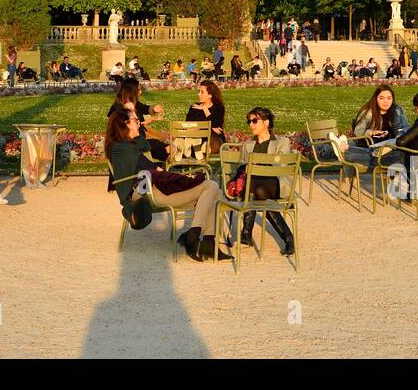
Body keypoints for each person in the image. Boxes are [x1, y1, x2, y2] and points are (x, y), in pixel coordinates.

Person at [105, 106, 227, 261]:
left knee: (213, 192)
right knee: (212, 187)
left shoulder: (127, 145)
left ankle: (206, 241)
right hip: (151, 192)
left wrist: (135, 131)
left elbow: (146, 147)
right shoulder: (122, 149)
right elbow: (151, 168)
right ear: (125, 124)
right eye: (136, 121)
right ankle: (196, 236)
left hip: (154, 188)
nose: (140, 123)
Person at [230, 107, 294, 255]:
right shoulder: (248, 145)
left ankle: (246, 232)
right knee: (257, 188)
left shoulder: (281, 142)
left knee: (254, 180)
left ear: (266, 122)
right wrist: (246, 168)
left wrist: (258, 167)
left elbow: (282, 169)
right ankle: (288, 238)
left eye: (254, 121)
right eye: (249, 121)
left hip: (276, 183)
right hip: (258, 188)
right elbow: (240, 168)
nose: (251, 124)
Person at [342, 83, 409, 168]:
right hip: (369, 144)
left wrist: (394, 143)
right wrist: (372, 132)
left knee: (397, 153)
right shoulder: (368, 112)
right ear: (376, 98)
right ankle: (345, 151)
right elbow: (358, 131)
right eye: (381, 98)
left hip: (387, 147)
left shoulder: (395, 111)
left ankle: (346, 150)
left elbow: (402, 130)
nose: (386, 101)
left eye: (389, 98)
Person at [108, 77, 166, 160]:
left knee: (162, 145)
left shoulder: (134, 104)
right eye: (138, 90)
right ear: (131, 92)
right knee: (161, 146)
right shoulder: (118, 109)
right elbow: (121, 132)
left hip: (139, 140)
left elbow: (145, 108)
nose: (140, 92)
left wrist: (154, 109)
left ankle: (177, 150)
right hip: (131, 143)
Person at [186, 79, 226, 154]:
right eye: (199, 91)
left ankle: (204, 147)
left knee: (213, 139)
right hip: (196, 137)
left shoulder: (218, 107)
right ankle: (202, 147)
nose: (198, 94)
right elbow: (189, 125)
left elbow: (216, 124)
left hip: (213, 138)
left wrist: (204, 109)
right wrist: (210, 128)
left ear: (210, 95)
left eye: (202, 92)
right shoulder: (194, 107)